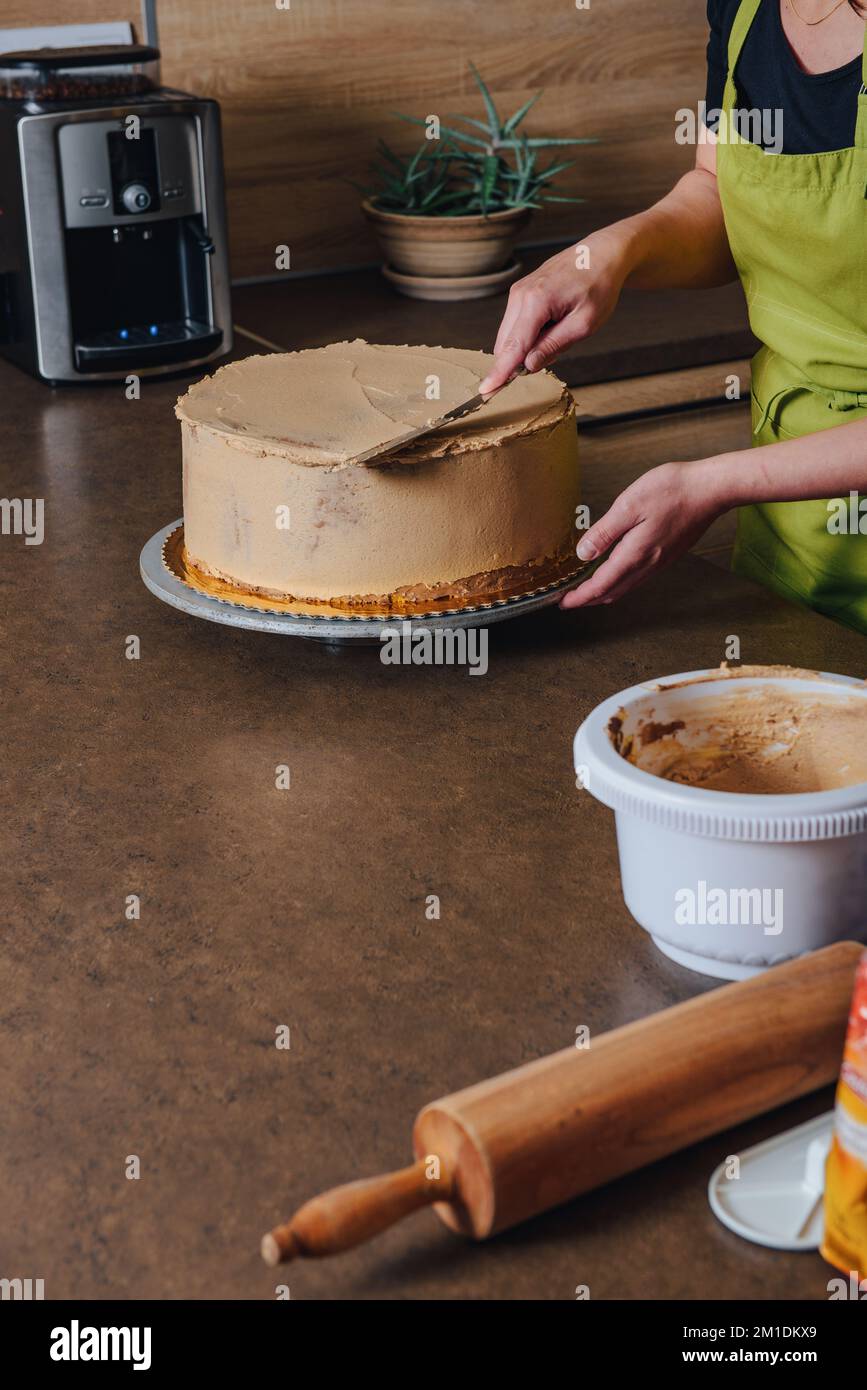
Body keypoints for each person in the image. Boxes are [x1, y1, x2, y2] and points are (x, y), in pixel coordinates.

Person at [479, 0, 867, 631]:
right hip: (797, 548)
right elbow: (719, 190)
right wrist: (612, 252)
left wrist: (713, 485)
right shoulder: (745, 10)